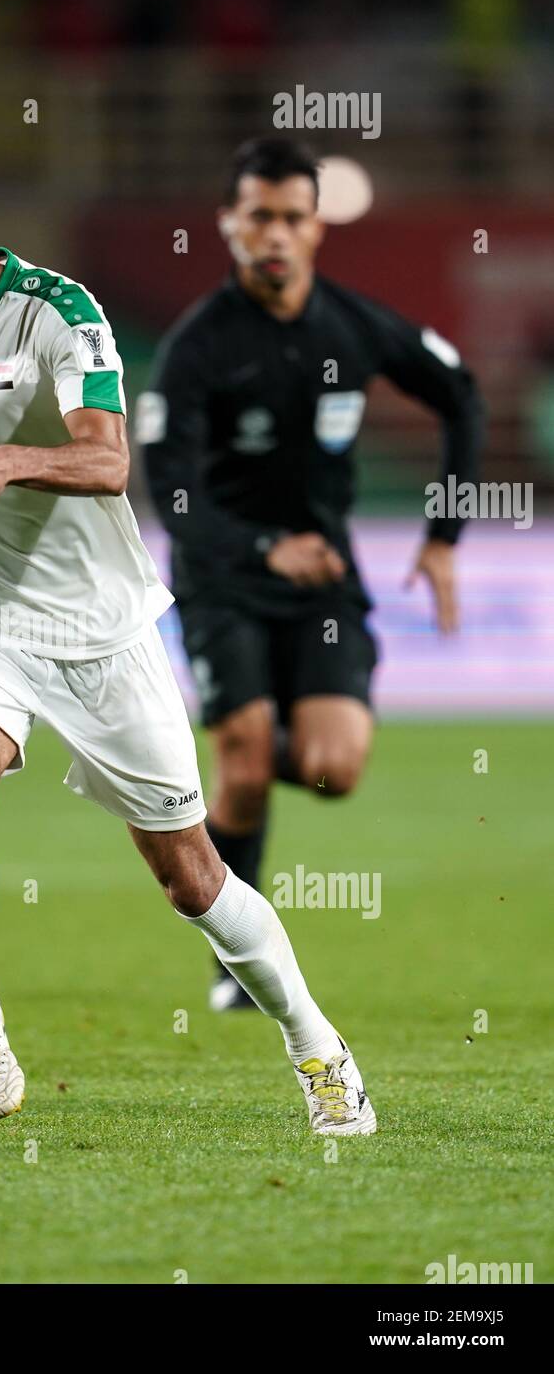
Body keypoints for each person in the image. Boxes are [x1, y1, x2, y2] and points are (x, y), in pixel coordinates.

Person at [0, 111, 376, 1135]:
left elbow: (109, 459)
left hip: (98, 632)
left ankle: (314, 1042)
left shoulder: (56, 313)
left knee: (190, 877)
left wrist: (13, 460)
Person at [138, 137, 483, 1010]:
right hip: (222, 576)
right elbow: (169, 495)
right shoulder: (196, 350)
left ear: (316, 227)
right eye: (259, 216)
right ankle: (234, 964)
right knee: (248, 762)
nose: (276, 234)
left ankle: (232, 762)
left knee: (335, 770)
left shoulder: (353, 327)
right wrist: (261, 549)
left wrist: (443, 536)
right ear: (228, 224)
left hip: (323, 582)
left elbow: (460, 395)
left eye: (293, 217)